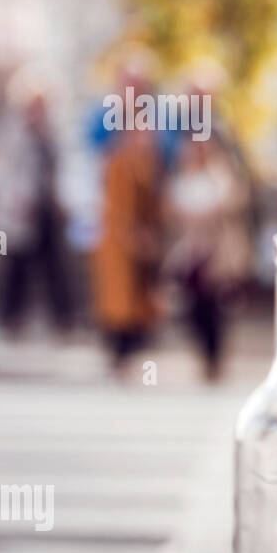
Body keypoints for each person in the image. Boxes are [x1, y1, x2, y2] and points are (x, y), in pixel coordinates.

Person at [0, 69, 74, 335]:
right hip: (20, 207)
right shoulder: (10, 128)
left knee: (54, 264)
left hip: (46, 205)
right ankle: (11, 317)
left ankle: (63, 319)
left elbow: (63, 164)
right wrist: (17, 198)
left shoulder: (54, 128)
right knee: (16, 264)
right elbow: (4, 167)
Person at [163, 132, 251, 381]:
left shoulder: (219, 176)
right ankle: (203, 354)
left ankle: (215, 357)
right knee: (191, 308)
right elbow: (171, 211)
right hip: (190, 253)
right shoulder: (181, 178)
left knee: (215, 307)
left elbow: (232, 202)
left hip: (216, 252)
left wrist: (207, 217)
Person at [91, 113, 163, 378]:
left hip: (138, 240)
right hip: (121, 242)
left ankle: (128, 354)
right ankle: (118, 356)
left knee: (136, 302)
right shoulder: (121, 162)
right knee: (120, 303)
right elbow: (118, 207)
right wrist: (133, 234)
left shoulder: (148, 163)